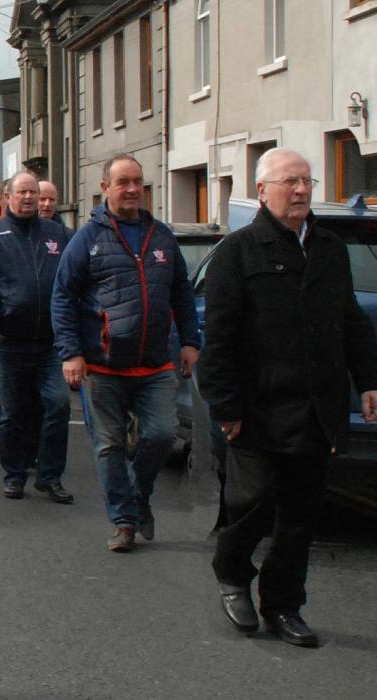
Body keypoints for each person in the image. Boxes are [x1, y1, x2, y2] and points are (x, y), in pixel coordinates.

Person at [198, 148, 377, 648]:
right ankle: (233, 574)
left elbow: (352, 324)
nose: (301, 190)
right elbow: (220, 336)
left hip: (316, 408)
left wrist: (368, 381)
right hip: (257, 408)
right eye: (289, 182)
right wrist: (226, 407)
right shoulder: (238, 251)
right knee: (252, 505)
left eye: (306, 181)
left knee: (300, 518)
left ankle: (283, 606)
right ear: (261, 190)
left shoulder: (330, 248)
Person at [52, 153, 200, 552]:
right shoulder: (88, 238)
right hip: (103, 366)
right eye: (123, 182)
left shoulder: (162, 235)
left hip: (155, 364)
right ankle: (123, 521)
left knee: (161, 435)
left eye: (137, 181)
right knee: (109, 445)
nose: (132, 188)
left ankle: (139, 496)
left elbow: (182, 293)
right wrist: (71, 353)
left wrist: (189, 341)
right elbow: (63, 297)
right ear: (105, 189)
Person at [0, 172, 73, 503]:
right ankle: (14, 475)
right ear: (6, 197)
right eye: (22, 192)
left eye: (34, 193)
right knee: (11, 413)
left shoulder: (58, 235)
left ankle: (49, 476)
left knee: (58, 405)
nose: (29, 198)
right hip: (7, 341)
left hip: (51, 343)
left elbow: (73, 283)